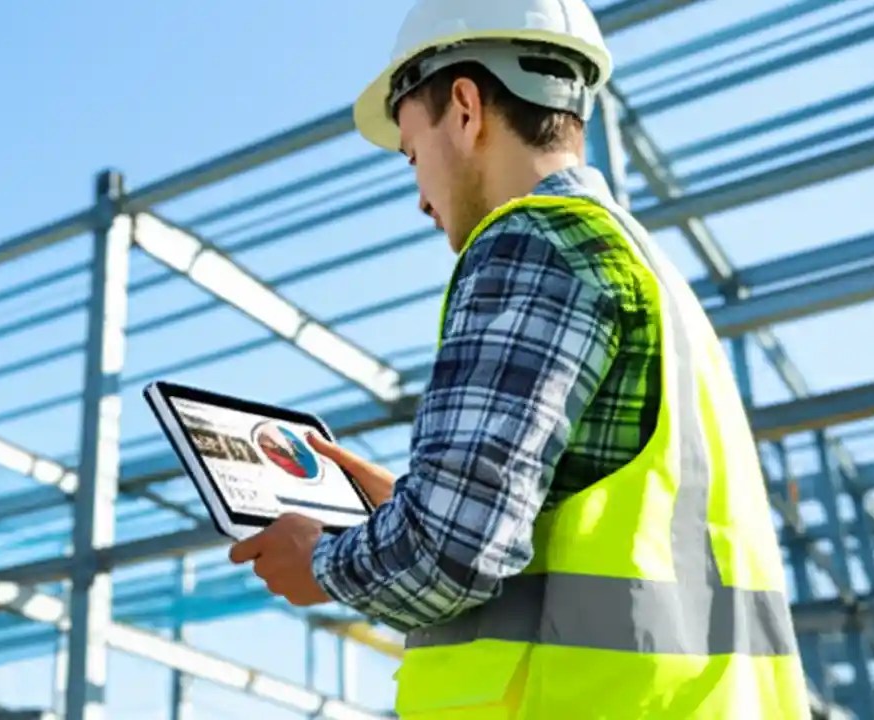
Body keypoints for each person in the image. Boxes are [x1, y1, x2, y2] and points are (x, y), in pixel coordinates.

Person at [228, 1, 808, 716]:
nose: (418, 197)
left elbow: (448, 555)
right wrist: (408, 504)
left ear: (466, 107)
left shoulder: (530, 242)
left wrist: (319, 561)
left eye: (413, 154)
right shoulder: (646, 271)